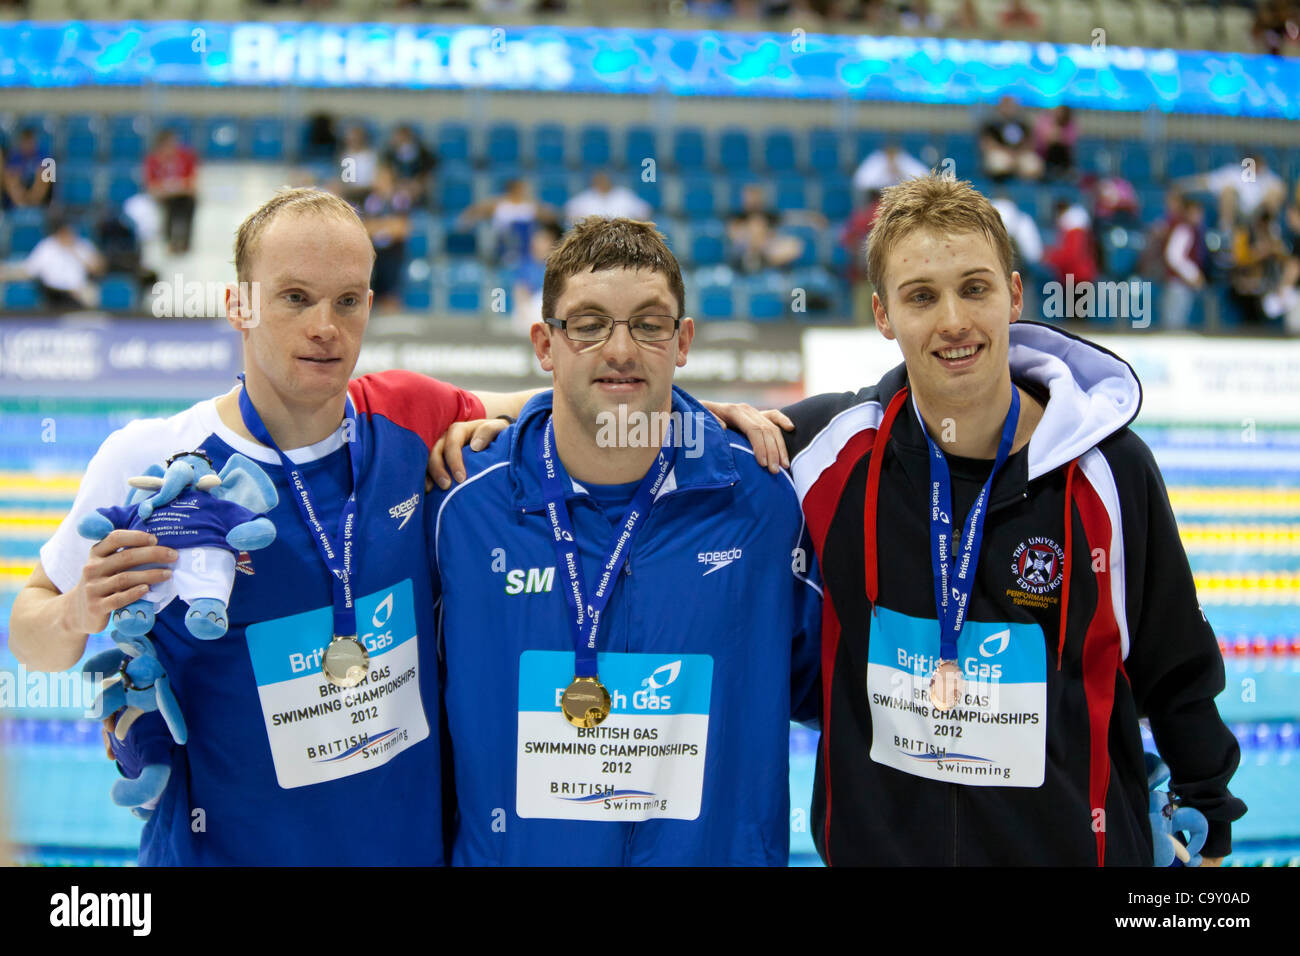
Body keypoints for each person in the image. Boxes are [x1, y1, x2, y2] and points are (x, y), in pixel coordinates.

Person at [8, 187, 537, 865]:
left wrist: (703, 416)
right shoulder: (149, 458)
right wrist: (78, 610)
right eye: (294, 297)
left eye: (348, 301)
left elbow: (557, 408)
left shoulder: (408, 415)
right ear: (239, 306)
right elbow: (32, 636)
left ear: (369, 307)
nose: (326, 326)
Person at [781, 175, 1245, 865]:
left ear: (1014, 295)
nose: (953, 321)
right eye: (921, 296)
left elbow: (1171, 661)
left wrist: (1208, 805)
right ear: (883, 315)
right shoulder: (826, 452)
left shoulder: (1110, 472)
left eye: (974, 288)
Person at [428, 217, 821, 865]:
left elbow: (824, 691)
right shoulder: (462, 506)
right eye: (587, 324)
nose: (620, 349)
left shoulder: (762, 499)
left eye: (648, 322)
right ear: (544, 345)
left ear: (682, 339)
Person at [21, 216, 105, 310]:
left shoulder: (82, 245)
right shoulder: (46, 246)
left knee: (91, 294)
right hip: (52, 292)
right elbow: (30, 270)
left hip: (77, 292)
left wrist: (74, 251)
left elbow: (98, 269)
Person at [143, 131, 199, 255]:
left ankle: (185, 241)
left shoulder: (185, 157)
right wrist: (170, 188)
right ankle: (169, 241)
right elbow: (152, 188)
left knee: (189, 203)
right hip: (164, 197)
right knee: (170, 205)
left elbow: (192, 184)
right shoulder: (153, 160)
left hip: (182, 195)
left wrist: (177, 187)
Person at [1161, 195, 1208, 330]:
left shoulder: (1191, 230)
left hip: (1182, 284)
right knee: (1174, 326)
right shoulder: (1184, 229)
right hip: (1178, 284)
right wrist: (1193, 275)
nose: (1199, 216)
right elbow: (1174, 257)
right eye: (1196, 212)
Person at [979, 96, 1042, 183]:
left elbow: (1030, 143)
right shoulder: (991, 124)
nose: (1008, 108)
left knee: (1033, 165)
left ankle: (1025, 190)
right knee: (998, 163)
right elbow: (987, 144)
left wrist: (1016, 154)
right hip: (1000, 152)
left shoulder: (1022, 124)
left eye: (1011, 105)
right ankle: (1000, 189)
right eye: (1005, 105)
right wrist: (1007, 152)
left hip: (1020, 154)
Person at [380, 124, 438, 207]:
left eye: (404, 137)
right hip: (397, 186)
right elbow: (388, 172)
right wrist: (398, 184)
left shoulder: (423, 154)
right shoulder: (390, 155)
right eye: (399, 137)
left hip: (417, 186)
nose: (401, 140)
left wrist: (417, 182)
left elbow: (429, 170)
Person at [563, 172, 650, 226]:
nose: (602, 183)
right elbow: (569, 215)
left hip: (624, 236)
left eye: (604, 180)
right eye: (599, 180)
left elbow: (644, 212)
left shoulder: (624, 195)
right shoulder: (583, 199)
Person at [3, 127, 53, 209]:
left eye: (30, 141)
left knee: (44, 174)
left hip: (40, 198)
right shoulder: (15, 156)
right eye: (25, 141)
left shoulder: (43, 155)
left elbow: (46, 176)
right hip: (19, 195)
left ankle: (32, 205)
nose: (27, 145)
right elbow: (10, 178)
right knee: (11, 177)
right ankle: (22, 207)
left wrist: (32, 197)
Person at [852, 143, 928, 195]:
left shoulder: (905, 161)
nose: (891, 157)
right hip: (878, 202)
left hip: (904, 199)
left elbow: (925, 178)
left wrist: (901, 173)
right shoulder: (876, 161)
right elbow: (861, 181)